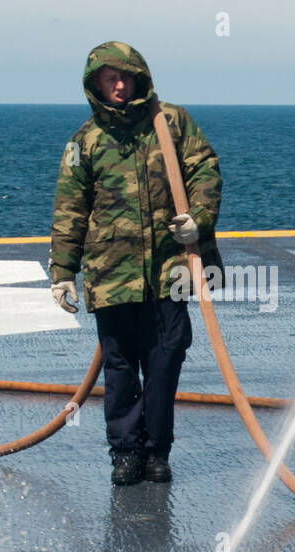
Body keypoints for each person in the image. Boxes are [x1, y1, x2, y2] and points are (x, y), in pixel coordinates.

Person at [49, 42, 223, 485]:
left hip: (169, 270)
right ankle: (125, 452)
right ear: (96, 85)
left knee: (165, 362)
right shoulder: (84, 141)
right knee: (120, 366)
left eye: (125, 77)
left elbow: (205, 171)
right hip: (112, 275)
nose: (120, 86)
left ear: (140, 77)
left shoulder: (173, 123)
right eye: (110, 78)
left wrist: (197, 221)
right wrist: (63, 272)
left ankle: (156, 451)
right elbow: (71, 207)